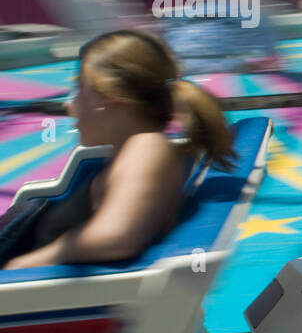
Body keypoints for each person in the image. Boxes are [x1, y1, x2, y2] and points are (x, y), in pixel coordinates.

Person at [2, 30, 233, 271]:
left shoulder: (146, 148)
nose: (69, 104)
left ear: (109, 95)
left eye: (80, 89)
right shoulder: (135, 150)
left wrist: (19, 266)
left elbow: (117, 235)